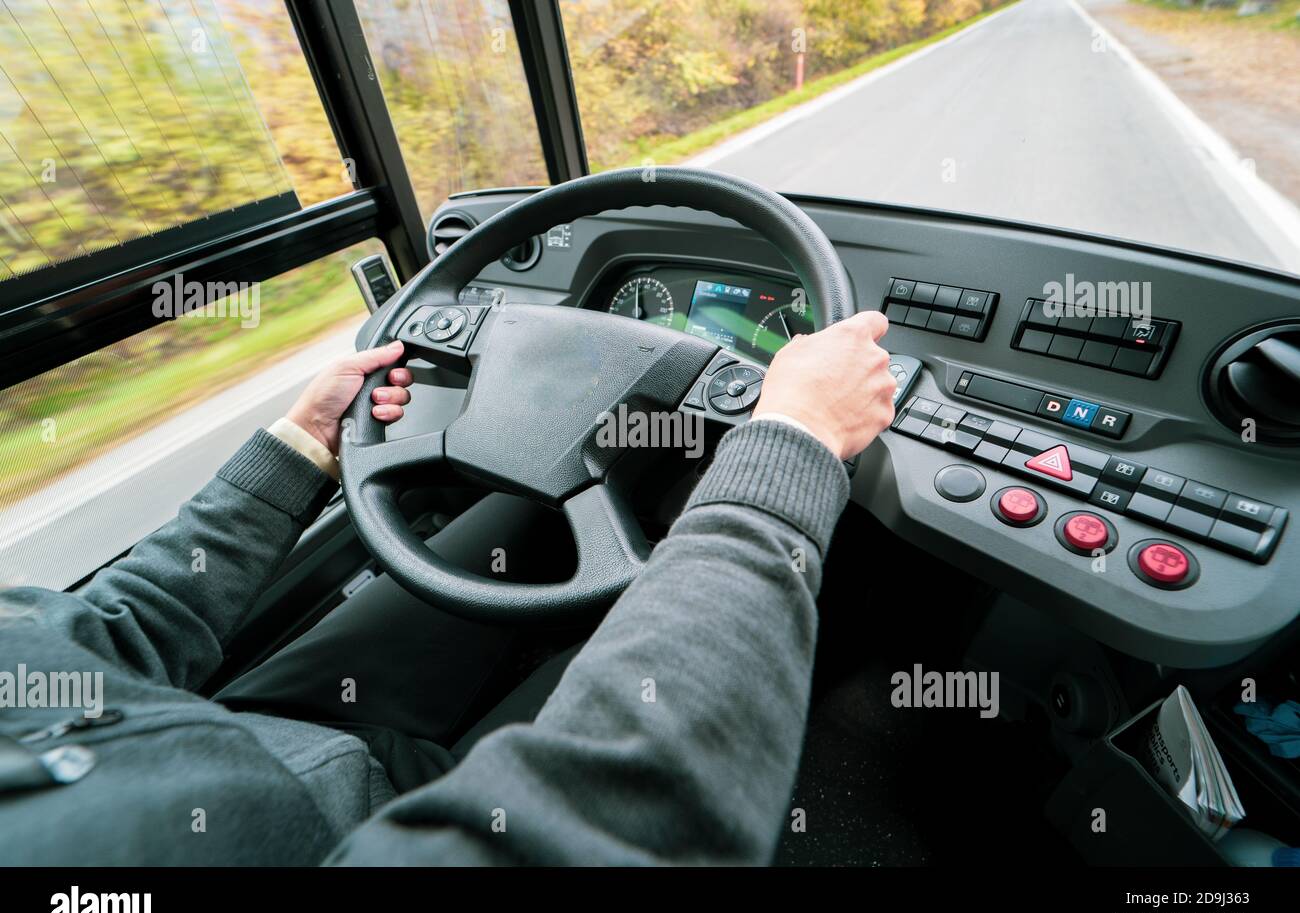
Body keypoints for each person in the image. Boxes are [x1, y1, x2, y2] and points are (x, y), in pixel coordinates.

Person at [0, 309, 897, 865]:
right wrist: (794, 437)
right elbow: (611, 811)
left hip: (289, 757)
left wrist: (302, 441)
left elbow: (116, 634)